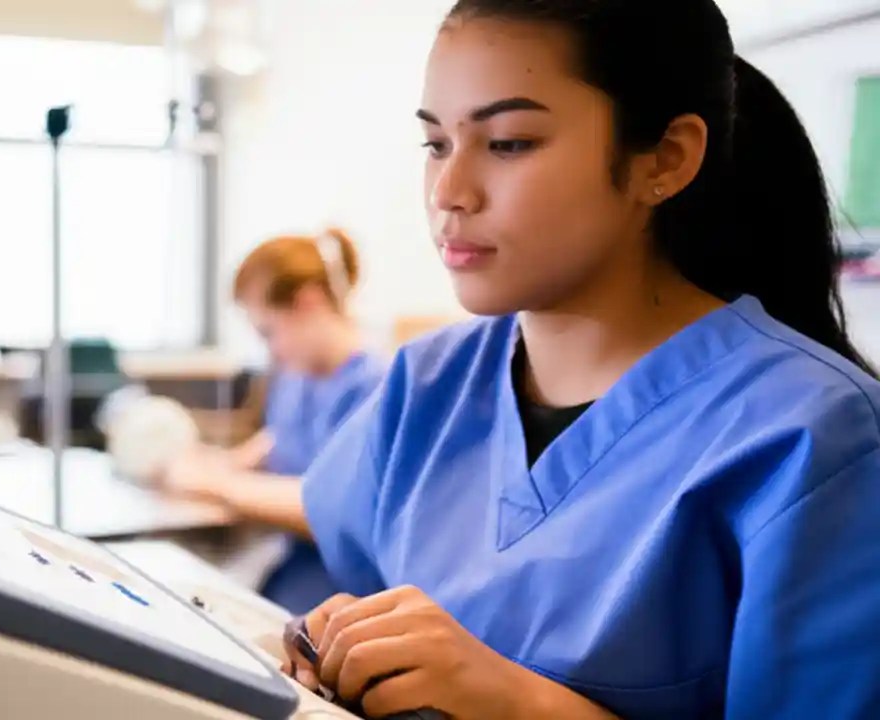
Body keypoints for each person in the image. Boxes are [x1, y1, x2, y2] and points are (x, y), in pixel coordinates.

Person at [281, 2, 880, 719]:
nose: (449, 194)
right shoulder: (427, 385)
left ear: (663, 160)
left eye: (507, 143)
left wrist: (511, 698)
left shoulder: (813, 435)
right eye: (437, 144)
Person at [160, 229, 386, 615]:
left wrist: (214, 483)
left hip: (338, 588)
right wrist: (216, 461)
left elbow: (328, 508)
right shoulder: (297, 377)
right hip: (285, 564)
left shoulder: (377, 387)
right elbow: (280, 441)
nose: (271, 350)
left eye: (268, 332)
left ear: (309, 303)